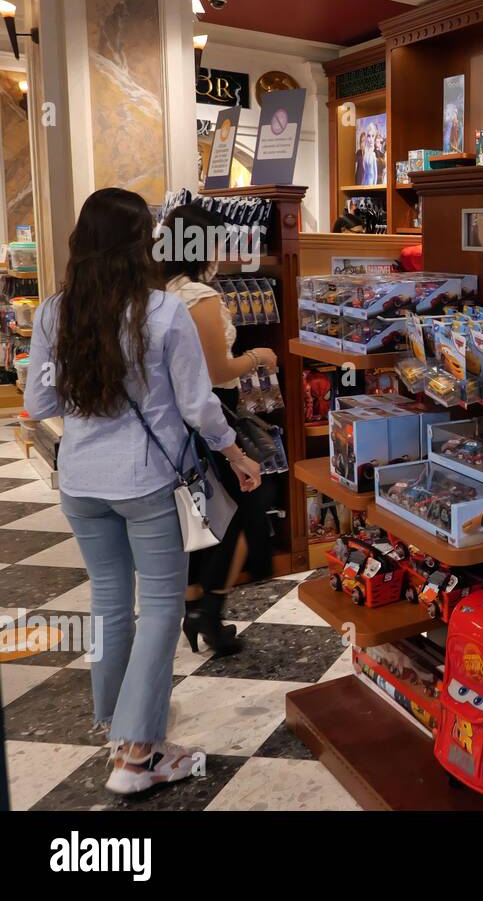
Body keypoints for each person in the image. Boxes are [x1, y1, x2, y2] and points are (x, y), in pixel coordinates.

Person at [25, 188, 263, 795]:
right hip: (147, 481)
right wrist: (236, 454)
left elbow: (37, 404)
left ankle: (119, 727)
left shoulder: (56, 311)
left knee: (109, 602)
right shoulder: (162, 312)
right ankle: (138, 755)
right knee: (159, 608)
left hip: (79, 480)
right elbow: (198, 406)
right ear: (143, 242)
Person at [158, 203, 278, 656]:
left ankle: (196, 608)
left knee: (199, 509)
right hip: (213, 412)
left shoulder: (161, 290)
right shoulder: (198, 297)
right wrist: (259, 358)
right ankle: (211, 609)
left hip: (174, 420)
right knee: (246, 502)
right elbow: (214, 370)